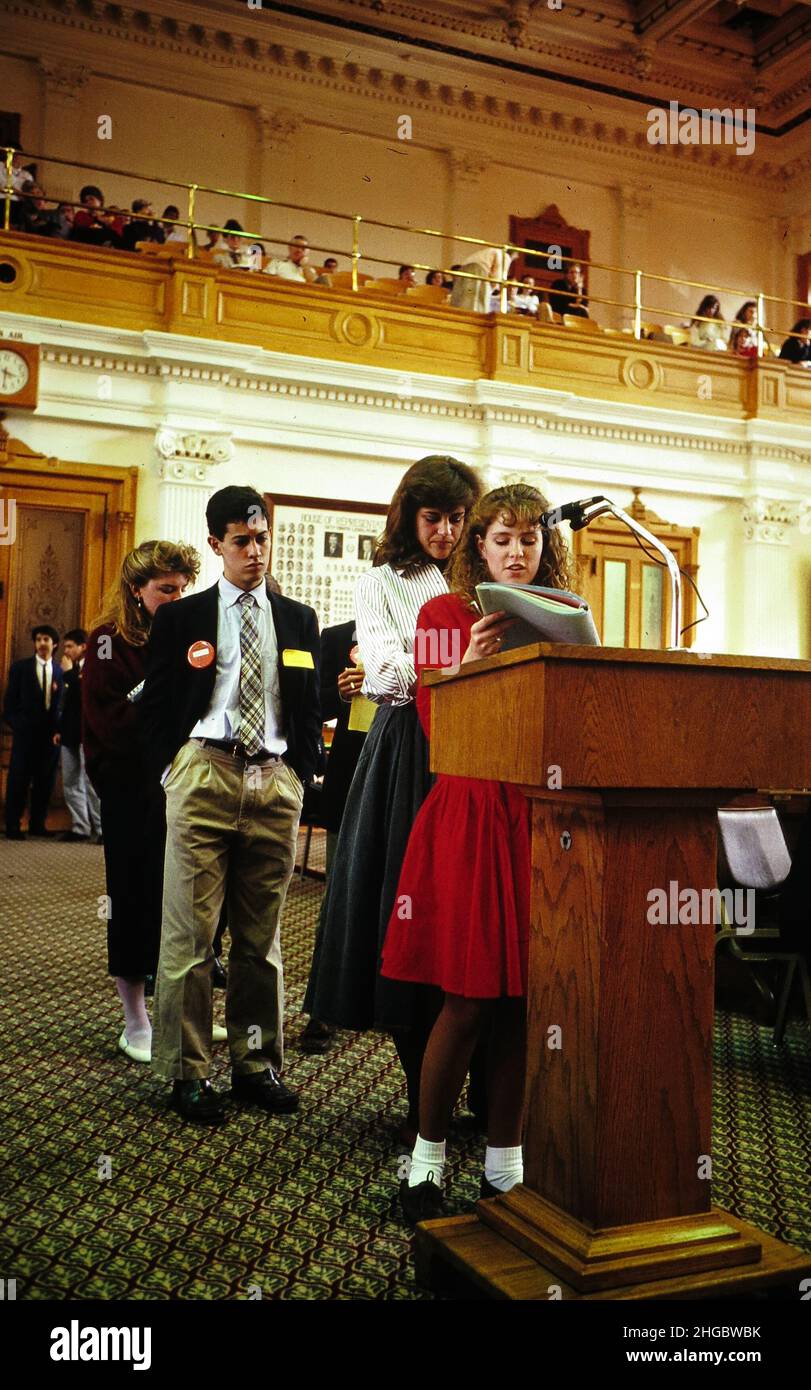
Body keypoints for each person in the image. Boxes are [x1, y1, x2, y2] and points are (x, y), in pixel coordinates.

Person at [381, 483, 573, 1222]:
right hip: (467, 811)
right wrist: (466, 660)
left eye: (528, 540)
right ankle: (424, 1167)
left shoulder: (558, 616)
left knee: (523, 1003)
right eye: (502, 539)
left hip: (536, 812)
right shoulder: (441, 614)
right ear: (478, 547)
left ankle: (504, 1168)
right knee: (464, 1000)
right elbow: (435, 716)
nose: (516, 552)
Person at [303, 456, 482, 1142]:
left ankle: (488, 1101)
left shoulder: (484, 576)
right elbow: (380, 671)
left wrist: (424, 662)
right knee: (410, 912)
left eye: (457, 518)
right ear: (407, 516)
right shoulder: (382, 579)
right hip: (409, 750)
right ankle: (421, 1101)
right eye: (431, 518)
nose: (444, 531)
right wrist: (450, 663)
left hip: (486, 745)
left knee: (478, 922)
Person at [140, 486, 321, 1124]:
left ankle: (253, 1065)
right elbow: (157, 704)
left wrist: (300, 774)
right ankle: (186, 1073)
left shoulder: (299, 620)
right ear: (216, 544)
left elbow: (304, 707)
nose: (256, 552)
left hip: (274, 784)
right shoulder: (182, 618)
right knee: (189, 937)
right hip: (206, 774)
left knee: (260, 941)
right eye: (241, 541)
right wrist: (175, 768)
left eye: (263, 538)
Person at [83, 541, 200, 1064]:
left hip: (186, 779)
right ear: (137, 590)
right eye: (165, 590)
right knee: (129, 897)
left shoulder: (184, 634)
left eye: (182, 589)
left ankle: (179, 1009)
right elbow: (108, 723)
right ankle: (134, 1019)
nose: (176, 598)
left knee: (185, 898)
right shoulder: (108, 641)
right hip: (132, 784)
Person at [299, 620, 369, 1055]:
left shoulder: (431, 631)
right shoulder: (340, 638)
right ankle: (323, 1011)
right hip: (349, 776)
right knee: (341, 896)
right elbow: (311, 704)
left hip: (418, 774)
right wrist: (339, 694)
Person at [3, 625, 64, 839]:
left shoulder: (59, 671)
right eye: (38, 639)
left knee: (44, 782)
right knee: (18, 781)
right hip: (25, 736)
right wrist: (18, 726)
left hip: (50, 739)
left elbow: (62, 706)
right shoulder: (20, 668)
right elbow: (9, 705)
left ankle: (38, 824)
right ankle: (13, 825)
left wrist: (59, 731)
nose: (41, 643)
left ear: (54, 644)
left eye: (46, 639)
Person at [58, 628, 102, 844]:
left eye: (69, 646)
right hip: (68, 734)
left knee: (92, 782)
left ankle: (103, 830)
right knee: (71, 781)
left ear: (83, 647)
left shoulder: (95, 666)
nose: (65, 651)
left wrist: (68, 675)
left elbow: (88, 694)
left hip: (88, 734)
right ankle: (80, 827)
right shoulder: (71, 670)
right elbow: (65, 705)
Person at [450, 247, 511, 314]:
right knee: (475, 305)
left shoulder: (489, 251)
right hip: (478, 271)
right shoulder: (505, 255)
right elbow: (497, 273)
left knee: (459, 302)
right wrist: (493, 288)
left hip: (463, 270)